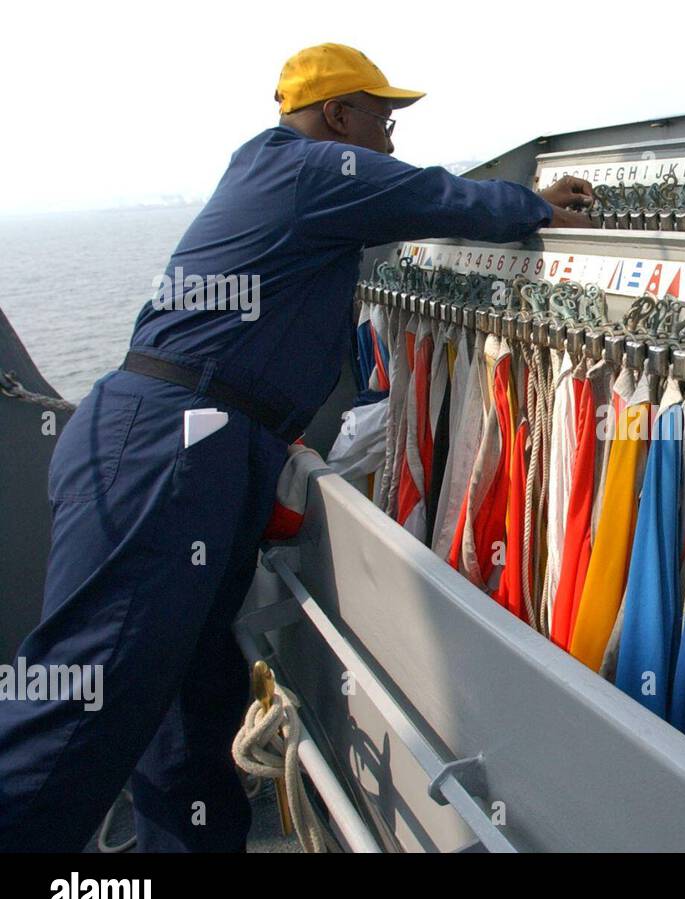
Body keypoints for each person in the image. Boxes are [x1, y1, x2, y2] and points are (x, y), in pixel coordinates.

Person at [0, 42, 593, 852]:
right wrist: (537, 204)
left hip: (197, 443)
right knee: (87, 692)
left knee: (187, 698)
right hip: (168, 448)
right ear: (338, 115)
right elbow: (430, 195)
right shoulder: (306, 170)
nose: (388, 139)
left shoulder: (286, 181)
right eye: (381, 119)